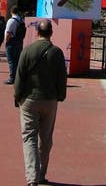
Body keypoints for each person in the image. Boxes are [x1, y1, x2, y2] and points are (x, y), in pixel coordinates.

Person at [14, 19, 67, 186]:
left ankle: (32, 177)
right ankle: (41, 173)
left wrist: (17, 96)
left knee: (29, 137)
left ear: (37, 32)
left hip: (29, 99)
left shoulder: (27, 50)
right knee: (46, 139)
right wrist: (60, 95)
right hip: (50, 100)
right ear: (51, 33)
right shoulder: (57, 52)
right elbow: (62, 77)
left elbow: (20, 75)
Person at [4, 5, 25, 84]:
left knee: (11, 61)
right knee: (17, 60)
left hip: (11, 42)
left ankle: (12, 78)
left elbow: (8, 33)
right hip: (19, 41)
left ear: (11, 11)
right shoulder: (21, 20)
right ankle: (18, 77)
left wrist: (6, 41)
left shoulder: (11, 20)